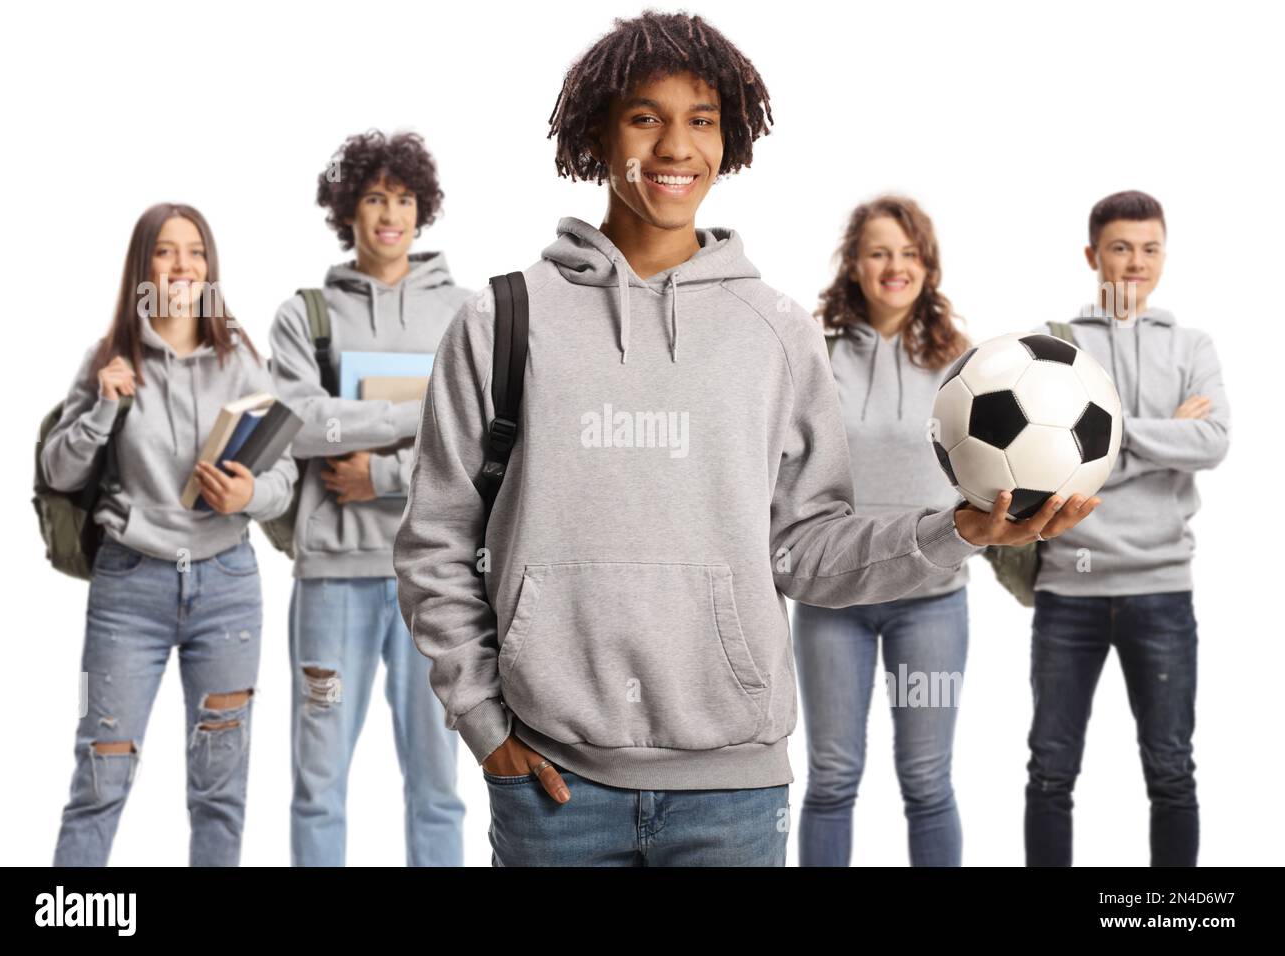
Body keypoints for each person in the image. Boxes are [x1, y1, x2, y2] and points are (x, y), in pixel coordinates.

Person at [394, 9, 1098, 867]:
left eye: (702, 120)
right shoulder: (501, 321)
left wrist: (960, 531)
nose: (675, 147)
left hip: (732, 795)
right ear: (596, 131)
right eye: (645, 116)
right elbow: (434, 541)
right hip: (551, 783)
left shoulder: (776, 332)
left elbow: (805, 547)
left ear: (730, 139)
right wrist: (482, 723)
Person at [47, 203, 297, 866]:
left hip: (228, 590)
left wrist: (249, 495)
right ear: (142, 266)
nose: (183, 265)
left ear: (210, 267)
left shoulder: (239, 358)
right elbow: (61, 467)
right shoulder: (108, 360)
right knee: (99, 781)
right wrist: (104, 407)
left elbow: (285, 479)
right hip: (130, 591)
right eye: (165, 251)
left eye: (195, 252)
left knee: (219, 792)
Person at [267, 130, 470, 867]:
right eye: (375, 197)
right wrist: (417, 416)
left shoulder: (466, 314)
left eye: (405, 198)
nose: (391, 214)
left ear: (424, 211)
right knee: (318, 784)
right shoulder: (306, 315)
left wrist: (381, 472)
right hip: (332, 582)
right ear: (346, 210)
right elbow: (294, 423)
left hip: (436, 581)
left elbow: (483, 444)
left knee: (439, 785)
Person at [1023, 189, 1230, 867]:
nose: (1135, 262)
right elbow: (1052, 463)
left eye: (1149, 248)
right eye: (1120, 248)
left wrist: (1110, 436)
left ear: (1163, 254)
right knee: (1051, 772)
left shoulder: (1192, 344)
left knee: (1171, 771)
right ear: (1093, 255)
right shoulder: (1060, 346)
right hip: (1068, 593)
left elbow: (1215, 442)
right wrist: (1167, 433)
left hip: (1162, 589)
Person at [795, 195, 973, 866]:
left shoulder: (963, 361)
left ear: (926, 264)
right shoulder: (815, 350)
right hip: (831, 600)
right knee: (832, 780)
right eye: (878, 252)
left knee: (927, 783)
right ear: (855, 265)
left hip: (929, 600)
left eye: (907, 252)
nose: (894, 266)